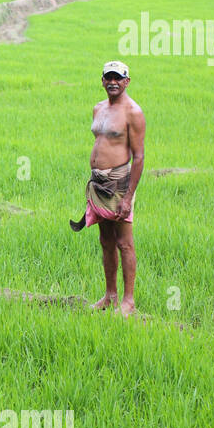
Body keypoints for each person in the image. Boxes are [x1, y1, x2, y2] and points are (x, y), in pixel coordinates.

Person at [70, 61, 146, 316]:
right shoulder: (98, 108)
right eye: (108, 77)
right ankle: (110, 296)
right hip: (98, 184)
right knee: (106, 241)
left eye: (118, 78)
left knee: (124, 243)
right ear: (102, 80)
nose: (113, 82)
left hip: (119, 184)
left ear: (127, 81)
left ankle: (128, 301)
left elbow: (139, 157)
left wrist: (128, 196)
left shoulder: (133, 112)